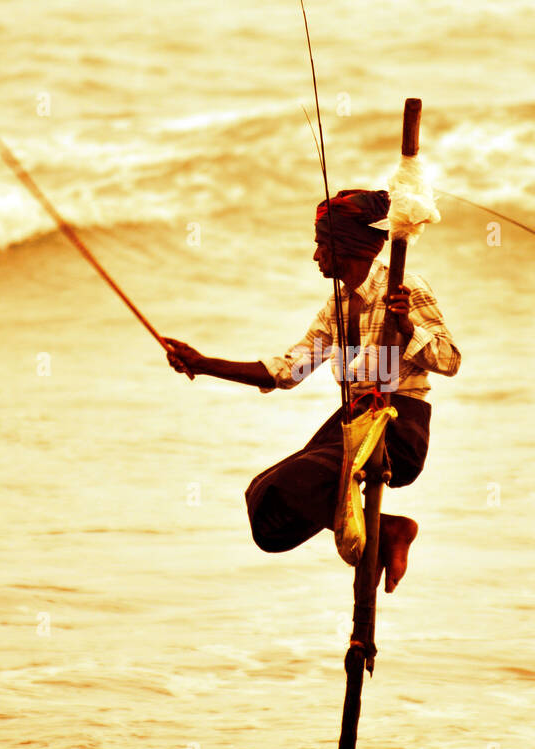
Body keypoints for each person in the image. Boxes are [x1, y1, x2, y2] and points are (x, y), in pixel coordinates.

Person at [163, 189, 460, 592]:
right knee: (264, 507)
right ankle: (380, 534)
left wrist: (408, 327)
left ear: (347, 245)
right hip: (352, 421)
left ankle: (389, 531)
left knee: (292, 484)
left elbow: (450, 361)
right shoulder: (335, 306)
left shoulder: (405, 286)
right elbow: (286, 371)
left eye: (322, 245)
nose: (316, 256)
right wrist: (203, 364)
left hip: (397, 424)